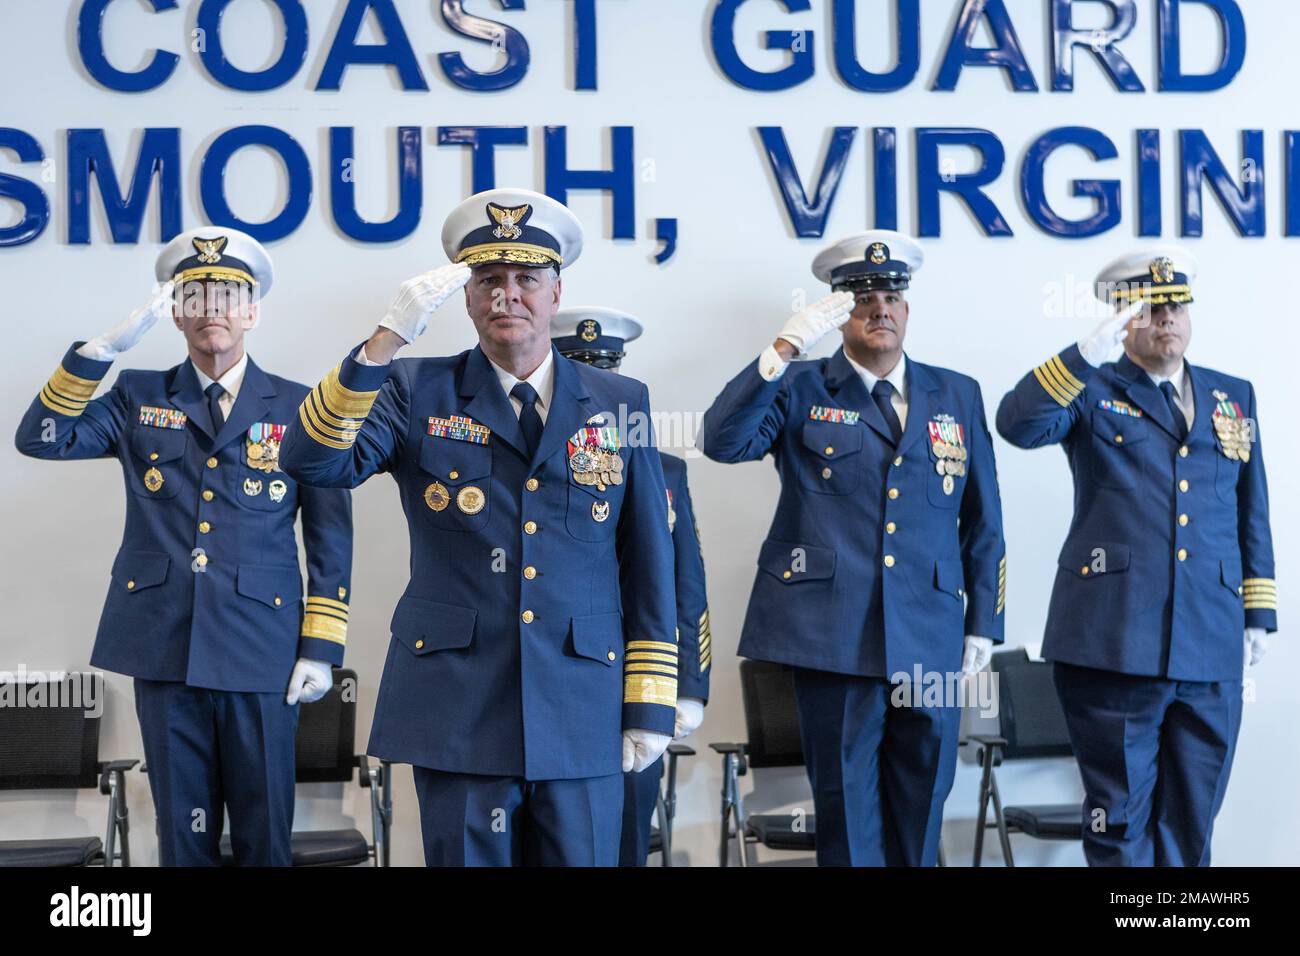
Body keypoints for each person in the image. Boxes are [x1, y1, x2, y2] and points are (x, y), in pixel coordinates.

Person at [279, 189, 679, 866]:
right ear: (466, 298)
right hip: (457, 704)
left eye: (527, 279)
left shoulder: (620, 400)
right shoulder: (412, 389)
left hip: (581, 702)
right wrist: (384, 342)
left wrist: (650, 702)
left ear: (557, 292)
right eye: (488, 281)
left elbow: (647, 560)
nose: (507, 295)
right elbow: (312, 461)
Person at [14, 227, 353, 865]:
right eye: (195, 297)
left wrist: (321, 648)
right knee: (183, 838)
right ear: (175, 313)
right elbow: (42, 438)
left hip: (262, 651)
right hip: (166, 647)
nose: (212, 310)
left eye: (228, 295)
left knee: (265, 835)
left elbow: (331, 536)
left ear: (253, 311)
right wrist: (96, 353)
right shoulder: (139, 396)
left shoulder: (304, 405)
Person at [701, 230, 1006, 866]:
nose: (879, 307)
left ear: (907, 307)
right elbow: (721, 441)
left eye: (891, 294)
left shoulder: (957, 393)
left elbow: (983, 520)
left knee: (923, 811)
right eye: (861, 295)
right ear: (838, 310)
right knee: (846, 815)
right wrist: (784, 347)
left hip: (931, 633)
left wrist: (984, 623)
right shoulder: (800, 385)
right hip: (832, 637)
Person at [995, 247, 1276, 866]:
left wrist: (1258, 610)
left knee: (1192, 820)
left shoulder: (1234, 395)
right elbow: (1017, 423)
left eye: (1175, 305)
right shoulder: (1092, 386)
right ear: (1122, 319)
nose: (1165, 318)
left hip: (1210, 640)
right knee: (1118, 820)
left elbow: (1250, 508)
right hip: (1112, 642)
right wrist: (1080, 356)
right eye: (1149, 309)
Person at [550, 306, 710, 866]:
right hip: (557, 679)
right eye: (581, 367)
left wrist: (687, 683)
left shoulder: (666, 469)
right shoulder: (524, 463)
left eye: (608, 369)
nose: (597, 382)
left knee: (624, 841)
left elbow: (684, 583)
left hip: (638, 683)